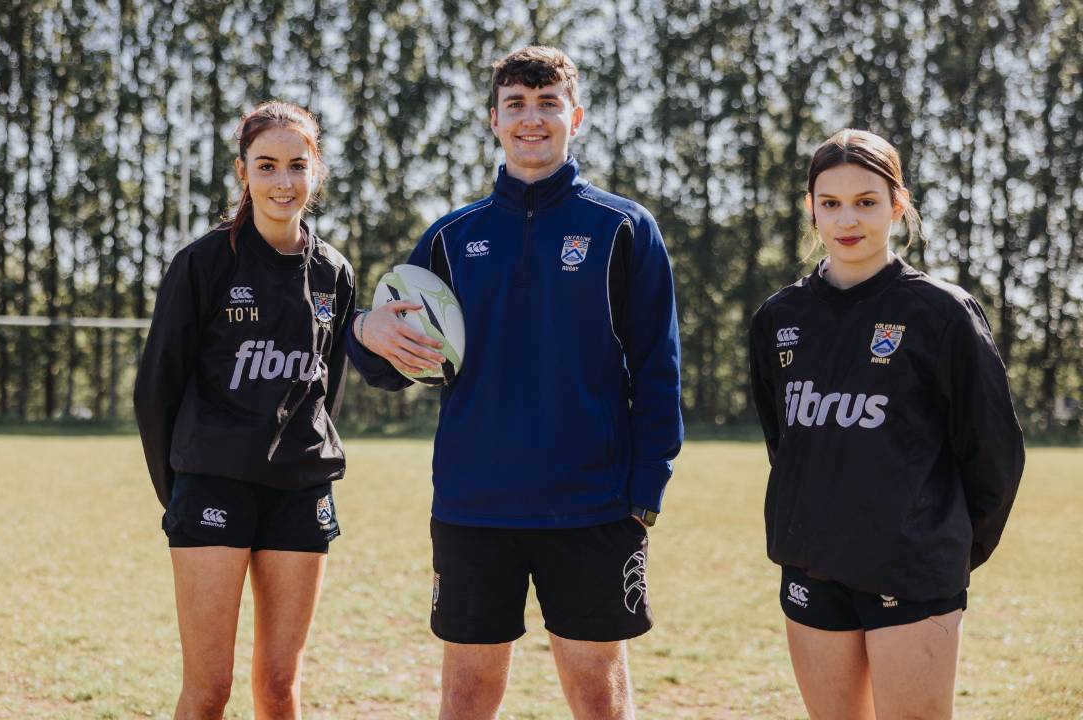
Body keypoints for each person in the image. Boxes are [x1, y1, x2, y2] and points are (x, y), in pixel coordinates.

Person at [347, 46, 683, 720]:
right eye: (516, 105)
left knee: (598, 695)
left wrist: (644, 493)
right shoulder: (450, 236)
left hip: (592, 505)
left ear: (575, 118)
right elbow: (393, 364)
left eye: (548, 103)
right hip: (475, 505)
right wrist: (364, 329)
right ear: (493, 120)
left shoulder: (623, 228)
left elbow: (658, 369)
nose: (532, 118)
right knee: (467, 696)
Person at [748, 128, 1025, 720]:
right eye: (831, 202)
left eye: (867, 201)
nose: (848, 219)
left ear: (898, 206)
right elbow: (785, 442)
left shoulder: (941, 313)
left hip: (912, 567)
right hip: (812, 565)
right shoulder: (779, 317)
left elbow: (993, 454)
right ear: (811, 208)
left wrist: (945, 547)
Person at [134, 101, 354, 720]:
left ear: (316, 170)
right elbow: (155, 391)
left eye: (296, 165)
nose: (283, 182)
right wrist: (179, 488)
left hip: (300, 492)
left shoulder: (334, 273)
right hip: (213, 485)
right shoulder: (203, 263)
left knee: (280, 687)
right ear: (243, 172)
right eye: (266, 166)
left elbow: (327, 388)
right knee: (210, 689)